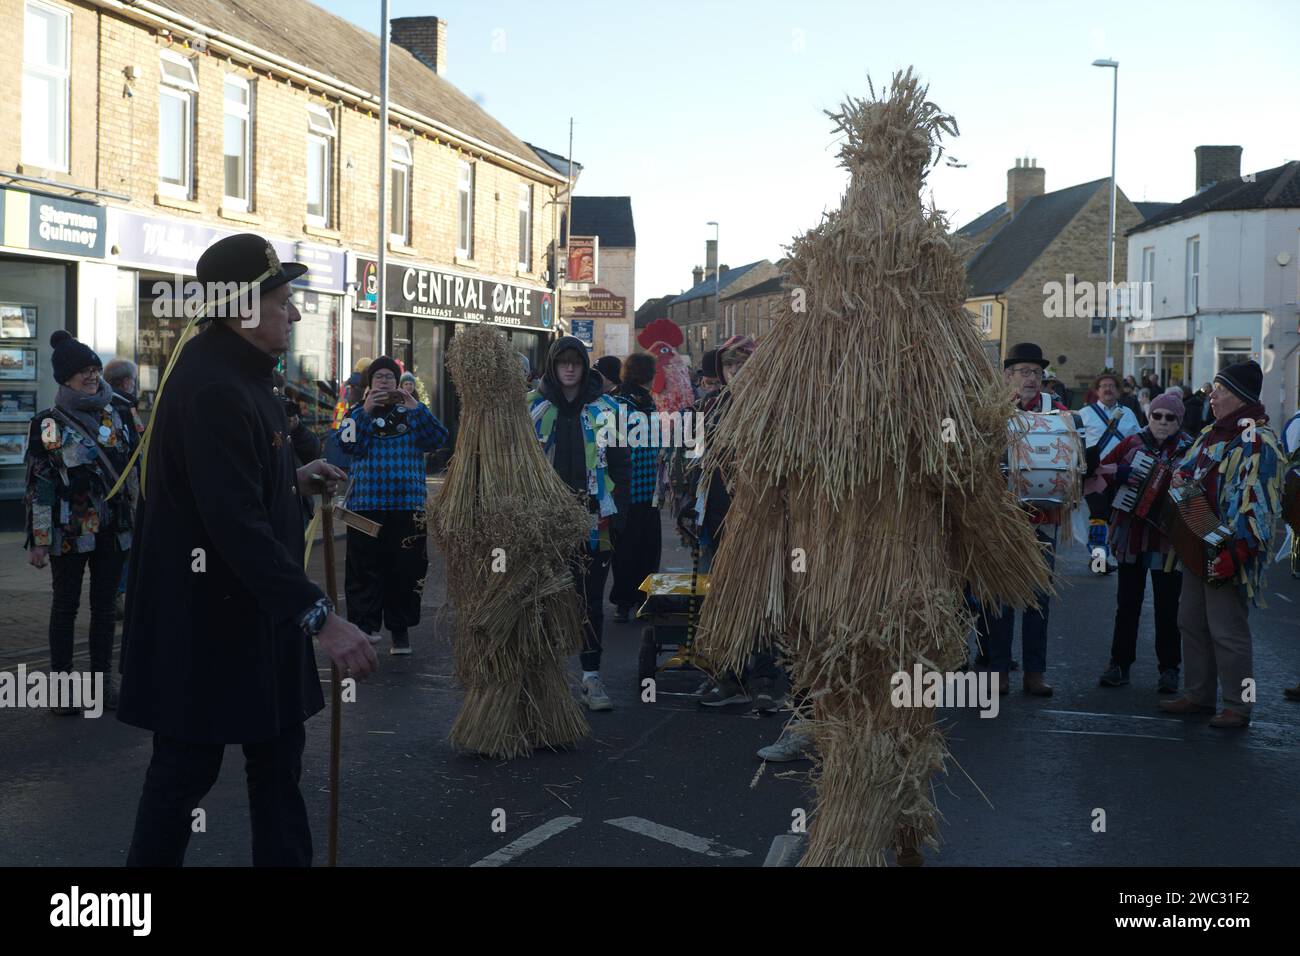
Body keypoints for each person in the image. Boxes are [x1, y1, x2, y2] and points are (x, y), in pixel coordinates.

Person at [119, 233, 378, 866]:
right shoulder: (214, 389)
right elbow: (232, 525)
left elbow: (229, 492)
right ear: (242, 309)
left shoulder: (243, 378)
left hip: (255, 622)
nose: (294, 313)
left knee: (277, 769)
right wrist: (321, 617)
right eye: (283, 299)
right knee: (183, 777)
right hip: (206, 626)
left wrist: (292, 480)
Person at [1160, 360, 1281, 729]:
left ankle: (1239, 705)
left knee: (1229, 632)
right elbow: (1189, 470)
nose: (1212, 396)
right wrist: (1180, 478)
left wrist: (1238, 551)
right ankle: (1198, 694)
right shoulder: (1212, 433)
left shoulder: (1258, 440)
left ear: (1242, 398)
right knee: (1190, 621)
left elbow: (1260, 503)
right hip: (1198, 542)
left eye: (1221, 390)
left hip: (1227, 548)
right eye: (1214, 389)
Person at [24, 332, 139, 714]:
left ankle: (101, 686)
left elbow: (135, 471)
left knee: (105, 608)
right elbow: (40, 485)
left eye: (94, 369)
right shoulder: (48, 424)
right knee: (66, 607)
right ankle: (60, 690)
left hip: (113, 527)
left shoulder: (120, 413)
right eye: (82, 372)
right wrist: (40, 539)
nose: (92, 377)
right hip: (70, 531)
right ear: (65, 379)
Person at [527, 337, 630, 711]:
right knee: (546, 598)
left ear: (585, 367)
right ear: (552, 366)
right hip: (545, 520)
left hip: (594, 516)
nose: (569, 369)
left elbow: (621, 464)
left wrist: (619, 511)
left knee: (590, 602)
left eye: (576, 363)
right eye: (562, 363)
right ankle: (546, 682)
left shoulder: (608, 410)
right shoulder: (532, 408)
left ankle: (591, 678)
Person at [974, 342, 1069, 698]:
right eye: (1024, 372)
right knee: (999, 593)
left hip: (1043, 515)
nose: (1031, 379)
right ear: (1007, 376)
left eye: (1036, 372)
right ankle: (998, 668)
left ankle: (1034, 671)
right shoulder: (993, 411)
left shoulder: (1057, 410)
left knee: (1038, 596)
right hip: (1002, 516)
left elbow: (1072, 458)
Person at [338, 356, 448, 655]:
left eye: (389, 377)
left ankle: (400, 630)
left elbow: (438, 438)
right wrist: (366, 410)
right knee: (363, 569)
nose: (384, 381)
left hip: (407, 505)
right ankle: (365, 630)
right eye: (379, 377)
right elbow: (345, 444)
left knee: (406, 568)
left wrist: (415, 406)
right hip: (365, 505)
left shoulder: (412, 413)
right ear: (370, 384)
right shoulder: (357, 413)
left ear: (398, 383)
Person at [1095, 391, 1194, 693]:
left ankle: (1169, 669)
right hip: (1132, 536)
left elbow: (1202, 490)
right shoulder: (1132, 443)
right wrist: (1121, 474)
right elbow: (1099, 472)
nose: (1162, 422)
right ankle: (1119, 664)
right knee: (1128, 604)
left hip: (1168, 542)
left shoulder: (1190, 450)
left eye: (1170, 418)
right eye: (1157, 416)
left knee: (1167, 608)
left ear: (1179, 421)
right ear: (1149, 417)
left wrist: (1185, 487)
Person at [609, 352, 663, 624]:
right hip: (643, 488)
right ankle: (643, 599)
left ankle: (624, 601)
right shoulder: (647, 403)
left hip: (627, 489)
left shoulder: (619, 401)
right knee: (646, 547)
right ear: (649, 375)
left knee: (626, 549)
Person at [1079, 372, 1140, 571]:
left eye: (1112, 386)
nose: (1108, 389)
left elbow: (1138, 440)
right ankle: (1099, 562)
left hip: (1121, 473)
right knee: (1098, 516)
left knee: (1116, 516)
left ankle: (1111, 554)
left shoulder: (1128, 413)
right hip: (1095, 474)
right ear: (1097, 391)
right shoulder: (1084, 414)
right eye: (1103, 385)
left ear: (1118, 390)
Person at [103, 358, 144, 623]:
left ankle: (116, 593)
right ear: (127, 381)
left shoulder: (106, 403)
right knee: (127, 541)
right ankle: (118, 593)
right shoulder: (125, 406)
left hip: (113, 487)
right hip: (125, 486)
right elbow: (136, 447)